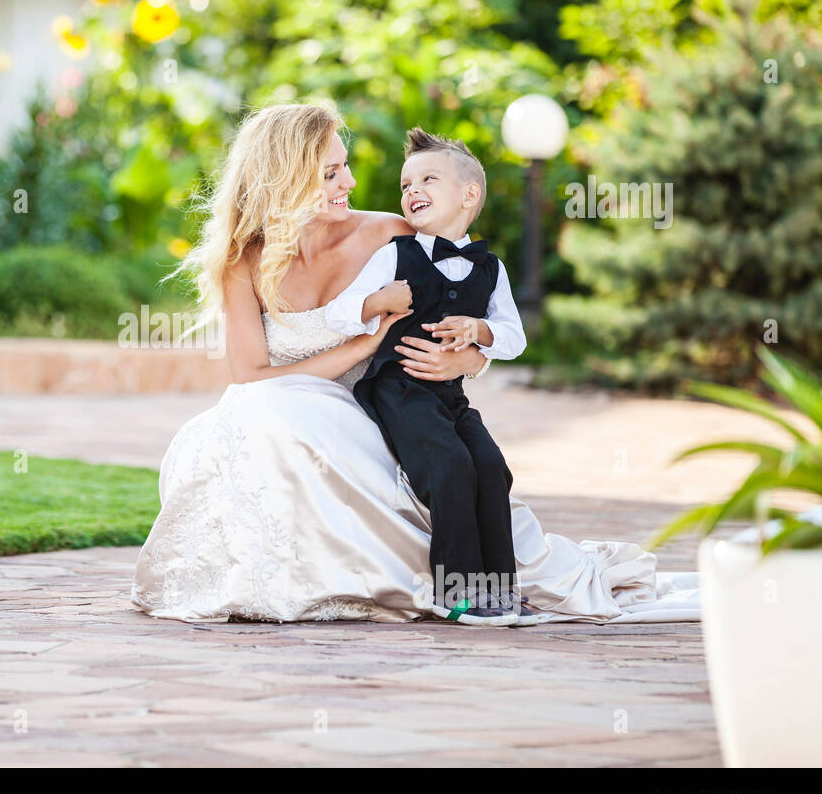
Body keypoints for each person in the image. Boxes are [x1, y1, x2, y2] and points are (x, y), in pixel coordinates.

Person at [130, 102, 700, 626]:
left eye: (345, 167)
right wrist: (361, 345)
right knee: (259, 415)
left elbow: (457, 313)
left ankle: (475, 584)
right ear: (285, 176)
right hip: (287, 414)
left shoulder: (390, 236)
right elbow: (250, 376)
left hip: (385, 415)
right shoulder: (243, 261)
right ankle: (284, 572)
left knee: (475, 480)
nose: (350, 182)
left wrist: (466, 363)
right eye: (331, 173)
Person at [324, 127, 531, 626]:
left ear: (469, 194)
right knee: (449, 466)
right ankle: (455, 592)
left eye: (428, 179)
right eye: (405, 184)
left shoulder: (490, 268)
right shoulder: (397, 254)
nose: (412, 190)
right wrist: (378, 303)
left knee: (490, 466)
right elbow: (337, 312)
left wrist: (480, 330)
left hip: (450, 396)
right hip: (398, 390)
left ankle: (497, 590)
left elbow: (514, 336)